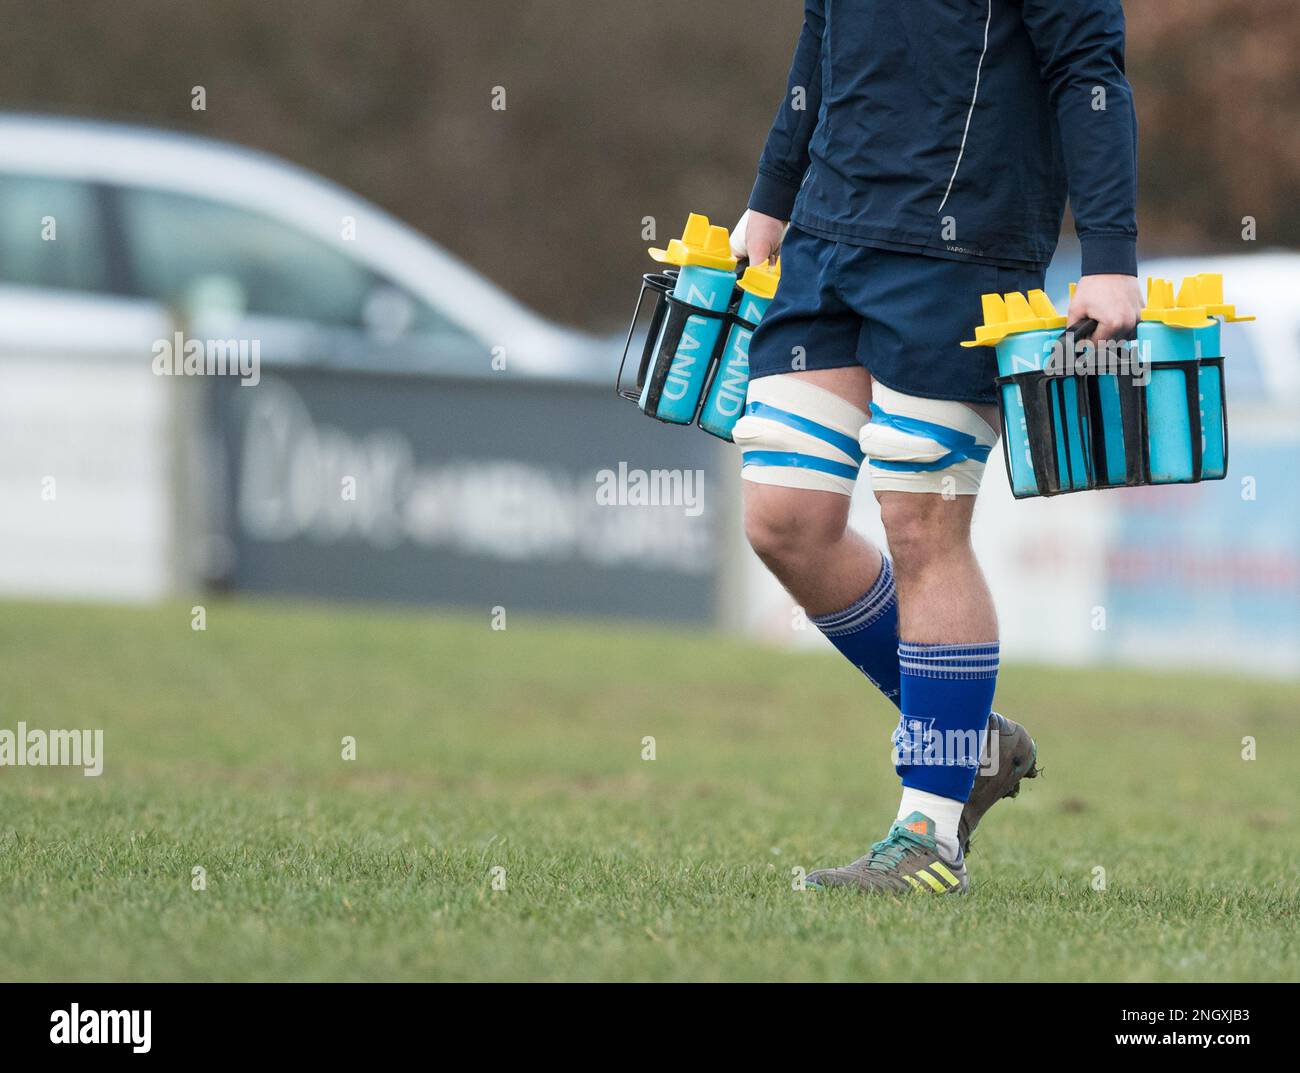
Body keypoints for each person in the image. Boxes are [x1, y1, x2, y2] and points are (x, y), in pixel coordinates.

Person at [730, 0, 1142, 893]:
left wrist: (1111, 253)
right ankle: (973, 739)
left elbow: (1088, 71)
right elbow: (821, 36)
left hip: (962, 253)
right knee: (783, 521)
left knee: (922, 523)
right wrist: (771, 197)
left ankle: (930, 832)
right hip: (826, 235)